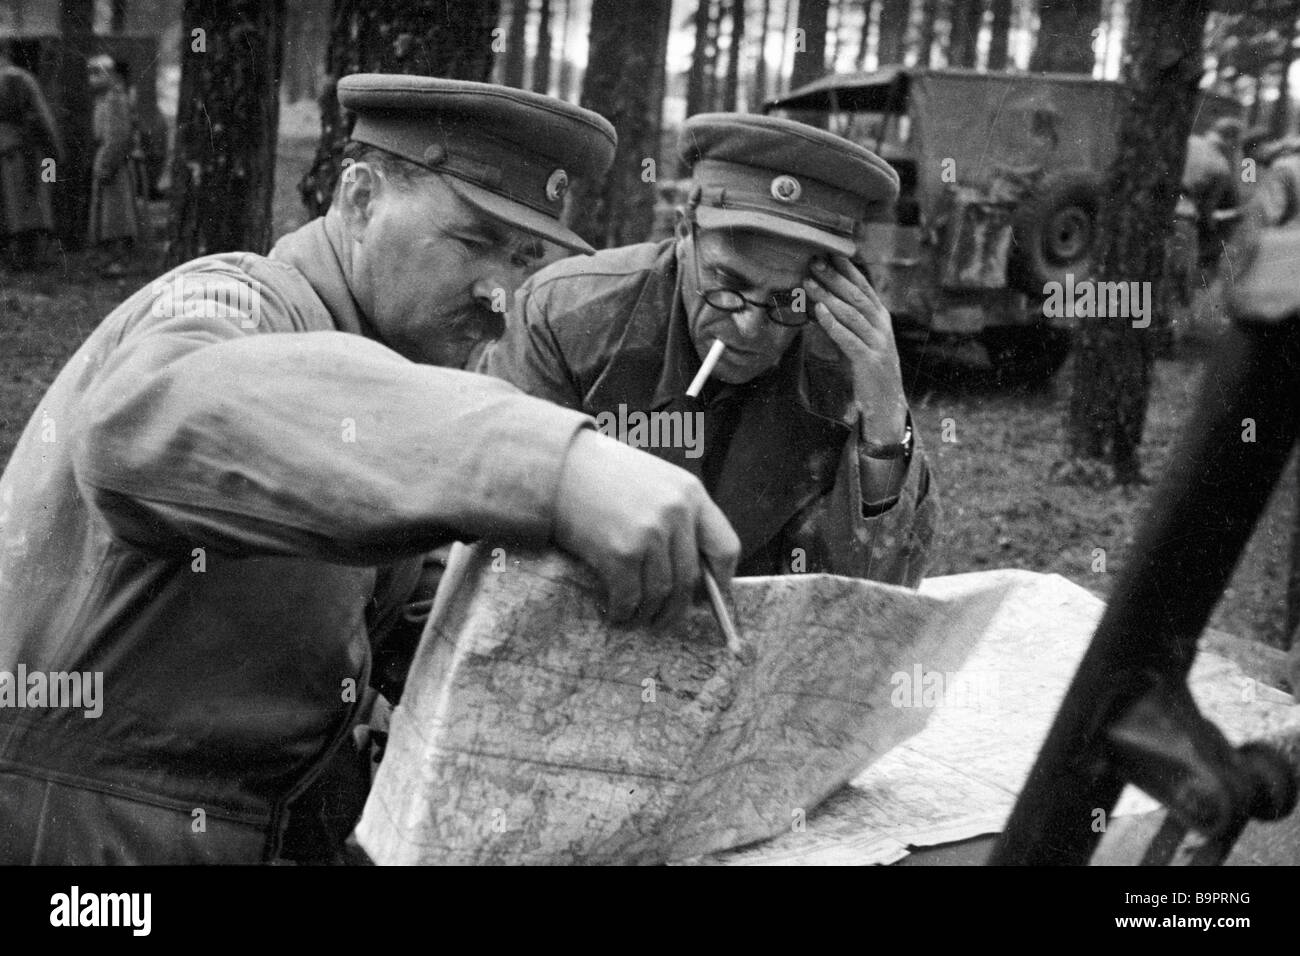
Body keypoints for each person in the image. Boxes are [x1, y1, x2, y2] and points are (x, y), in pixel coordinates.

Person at [0, 75, 740, 864]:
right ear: (359, 200)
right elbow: (141, 424)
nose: (504, 297)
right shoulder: (235, 303)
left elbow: (407, 613)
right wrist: (550, 465)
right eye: (475, 242)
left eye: (526, 258)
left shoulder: (385, 379)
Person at [481, 113, 937, 586]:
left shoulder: (846, 363)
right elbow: (501, 523)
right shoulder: (567, 318)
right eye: (728, 283)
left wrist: (884, 418)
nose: (749, 323)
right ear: (683, 233)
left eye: (787, 300)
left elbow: (872, 592)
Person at [0, 41, 61, 271]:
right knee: (39, 201)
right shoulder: (22, 78)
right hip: (32, 151)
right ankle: (33, 257)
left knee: (13, 205)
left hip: (8, 149)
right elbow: (44, 119)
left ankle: (15, 257)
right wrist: (56, 153)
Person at [88, 54, 140, 277]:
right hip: (108, 156)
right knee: (109, 213)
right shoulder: (106, 98)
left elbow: (118, 136)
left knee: (116, 214)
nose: (92, 79)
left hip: (115, 162)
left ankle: (119, 261)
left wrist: (107, 164)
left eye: (98, 73)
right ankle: (109, 259)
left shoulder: (114, 98)